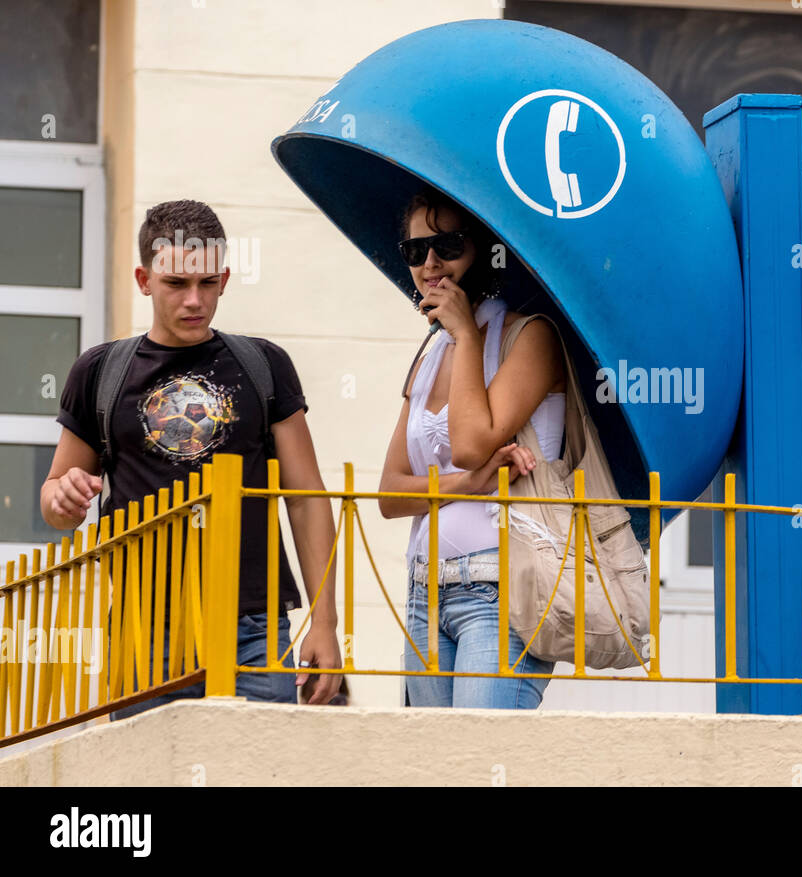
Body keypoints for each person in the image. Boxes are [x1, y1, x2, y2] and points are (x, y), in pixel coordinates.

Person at [42, 200, 342, 715]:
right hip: (144, 629)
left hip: (254, 627)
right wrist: (63, 496)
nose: (194, 301)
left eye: (207, 284)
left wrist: (325, 623)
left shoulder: (264, 365)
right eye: (176, 284)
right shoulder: (100, 372)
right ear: (144, 279)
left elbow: (306, 499)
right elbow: (54, 500)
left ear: (224, 278)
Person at [379, 189, 565, 709]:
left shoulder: (530, 336)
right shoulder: (430, 352)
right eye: (415, 252)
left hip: (500, 587)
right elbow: (390, 494)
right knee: (434, 771)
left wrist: (464, 332)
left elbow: (469, 444)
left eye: (448, 245)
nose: (430, 264)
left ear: (484, 248)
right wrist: (466, 486)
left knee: (479, 765)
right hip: (424, 593)